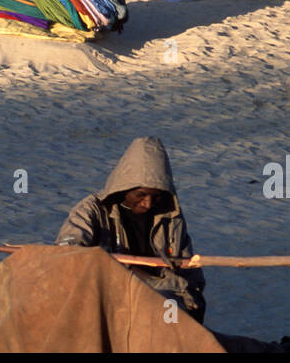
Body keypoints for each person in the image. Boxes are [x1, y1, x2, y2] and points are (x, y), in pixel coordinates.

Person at [56, 137, 206, 323]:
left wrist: (191, 300)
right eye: (140, 194)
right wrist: (126, 271)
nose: (148, 203)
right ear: (124, 187)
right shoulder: (91, 211)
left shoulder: (170, 216)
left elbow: (189, 272)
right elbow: (67, 255)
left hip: (162, 298)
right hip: (107, 297)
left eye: (156, 196)